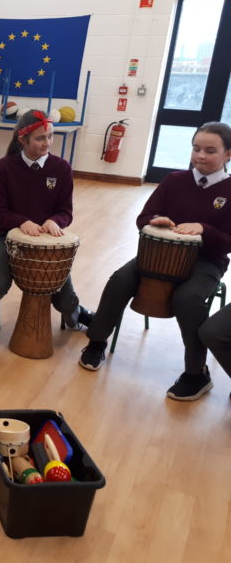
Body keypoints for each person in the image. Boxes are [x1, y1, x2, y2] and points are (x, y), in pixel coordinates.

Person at [79, 121, 231, 401]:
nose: (200, 156)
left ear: (227, 155)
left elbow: (228, 242)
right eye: (196, 148)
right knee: (120, 279)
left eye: (210, 150)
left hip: (206, 262)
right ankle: (96, 341)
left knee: (188, 299)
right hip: (160, 255)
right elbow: (143, 218)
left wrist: (204, 229)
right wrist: (154, 220)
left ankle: (197, 374)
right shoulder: (174, 181)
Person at [0, 110, 93, 338]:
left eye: (50, 136)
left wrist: (54, 220)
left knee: (64, 299)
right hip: (9, 237)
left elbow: (65, 212)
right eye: (41, 138)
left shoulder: (61, 168)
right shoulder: (5, 167)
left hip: (47, 242)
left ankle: (76, 316)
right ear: (23, 139)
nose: (48, 143)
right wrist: (22, 222)